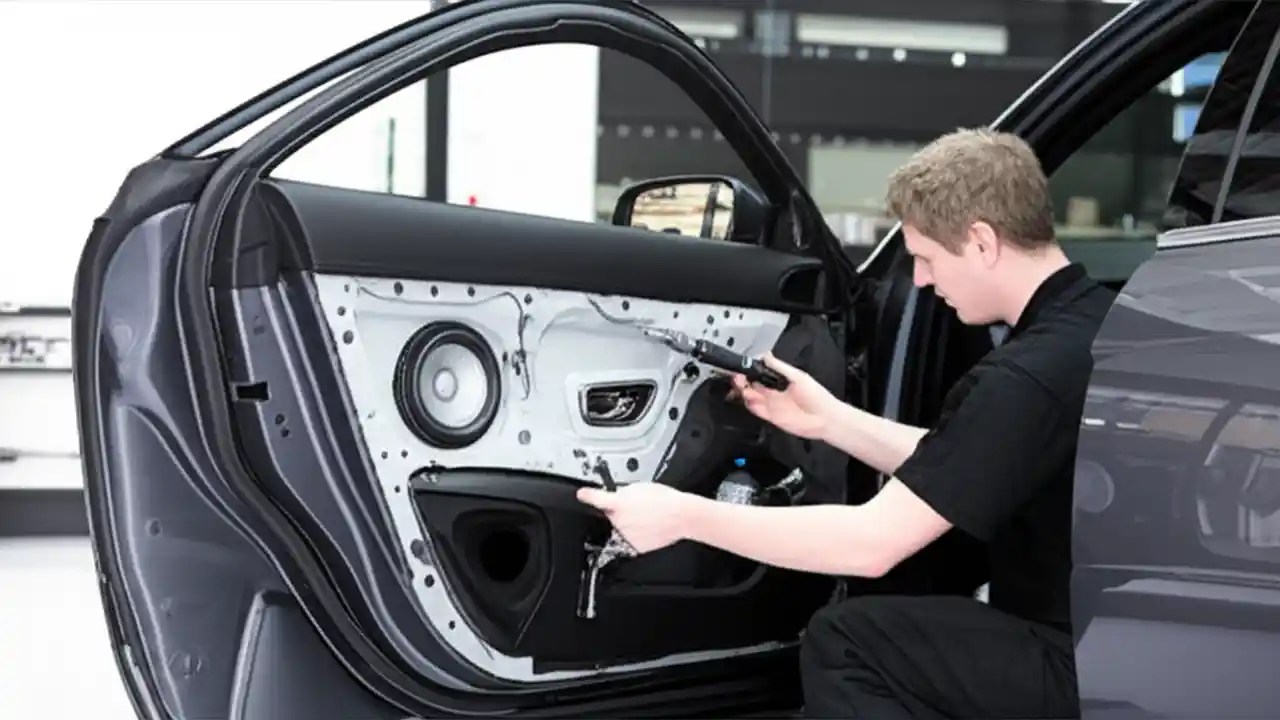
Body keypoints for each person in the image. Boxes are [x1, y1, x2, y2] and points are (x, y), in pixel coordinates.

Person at [577, 127, 1116, 718]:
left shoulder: (1025, 375)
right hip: (1117, 641)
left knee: (847, 642)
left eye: (926, 258)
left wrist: (684, 516)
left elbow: (870, 545)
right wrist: (829, 419)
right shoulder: (1093, 327)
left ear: (982, 243)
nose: (923, 282)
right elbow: (968, 456)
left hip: (1077, 665)